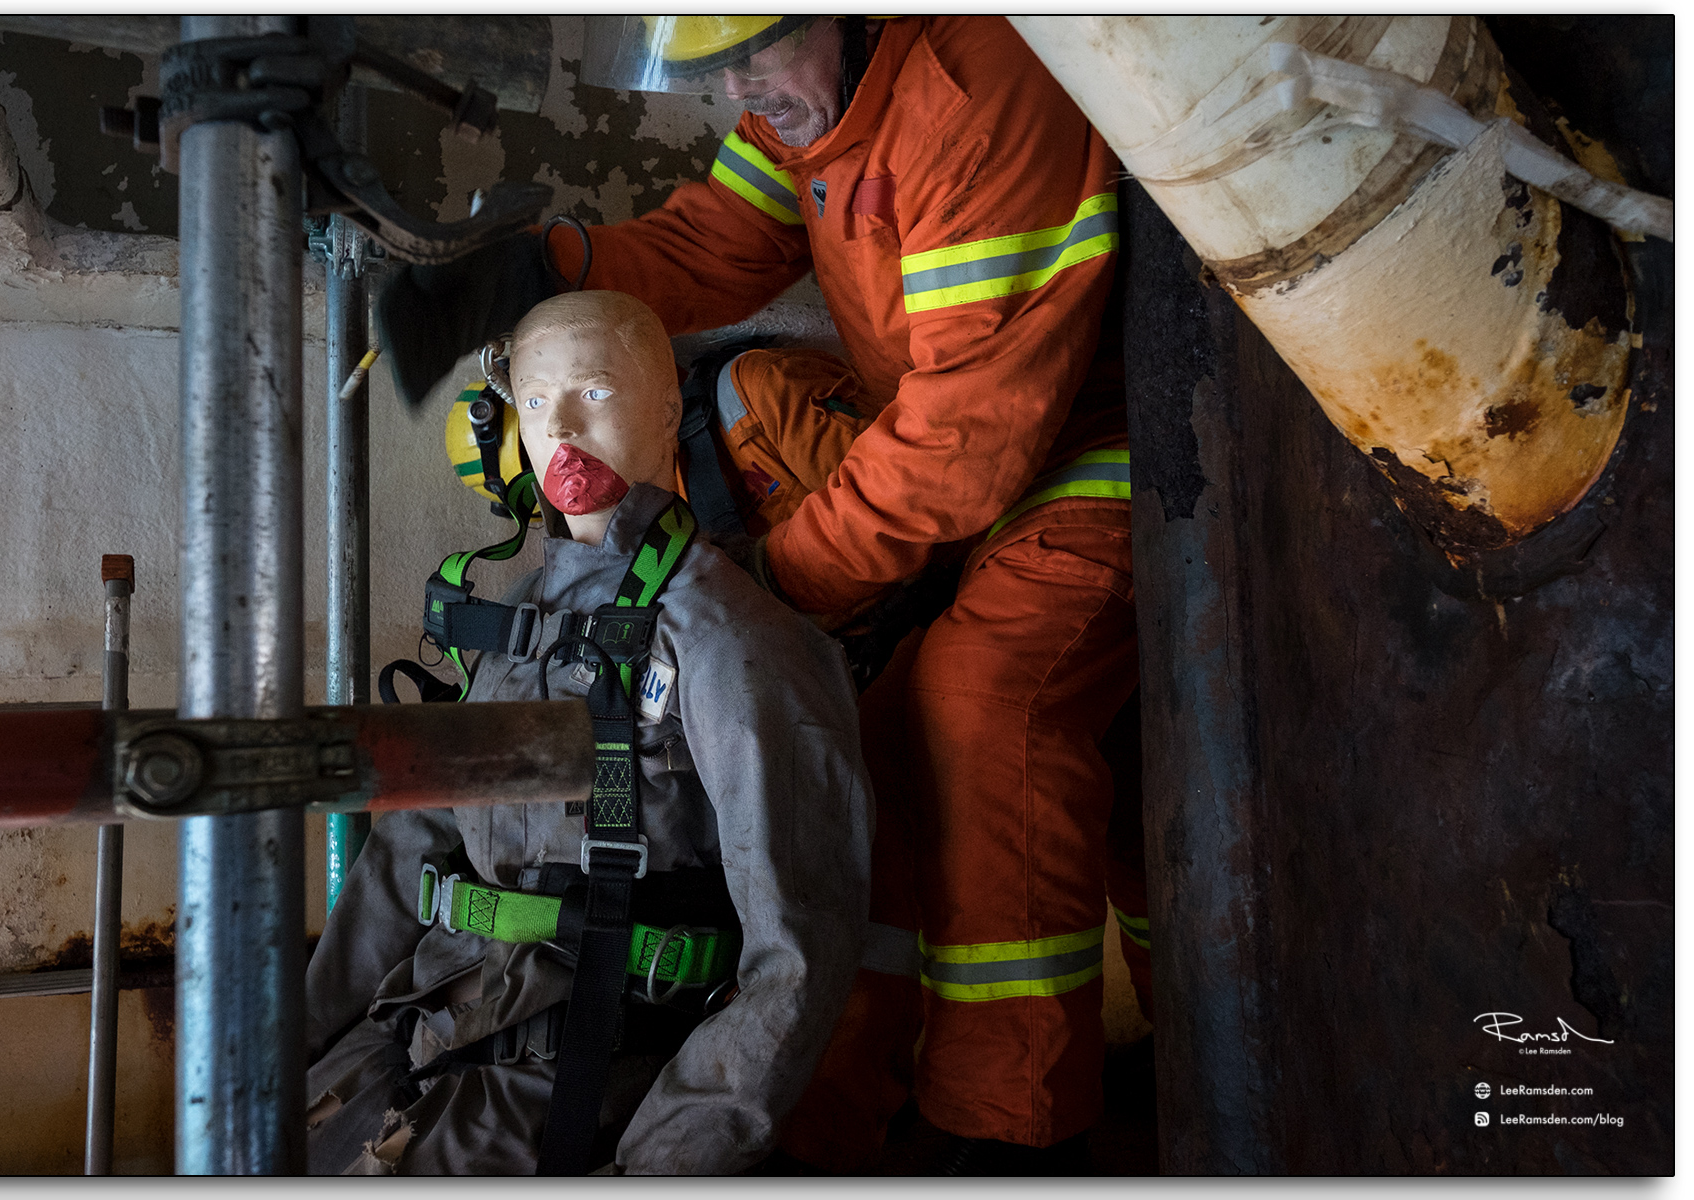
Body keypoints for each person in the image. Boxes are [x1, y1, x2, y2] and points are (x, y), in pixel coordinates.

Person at [376, 15, 1152, 1174]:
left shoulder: (977, 94)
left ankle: (1013, 1137)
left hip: (1096, 466)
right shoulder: (816, 98)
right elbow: (723, 241)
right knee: (909, 759)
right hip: (984, 477)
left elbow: (961, 447)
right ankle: (862, 1125)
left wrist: (760, 601)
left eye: (755, 48)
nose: (740, 85)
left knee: (982, 710)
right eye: (711, 65)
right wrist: (543, 271)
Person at [303, 290, 873, 1175]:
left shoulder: (729, 640)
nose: (561, 428)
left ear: (668, 409)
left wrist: (655, 1169)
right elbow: (409, 848)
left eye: (595, 392)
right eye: (535, 402)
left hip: (586, 1074)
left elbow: (798, 954)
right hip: (425, 1030)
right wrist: (295, 1048)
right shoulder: (517, 630)